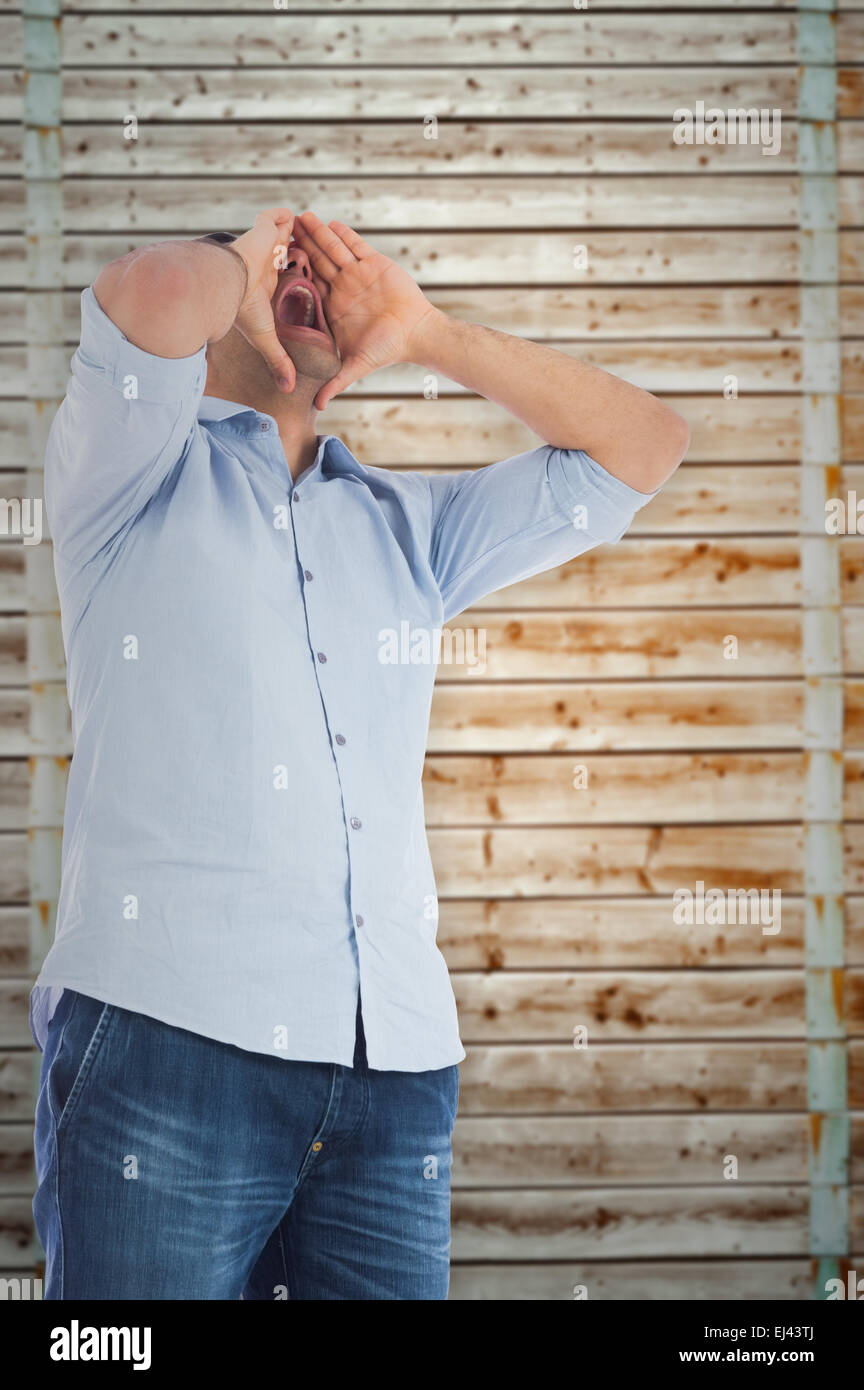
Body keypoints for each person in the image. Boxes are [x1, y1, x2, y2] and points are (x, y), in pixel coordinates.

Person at [31, 208, 689, 1300]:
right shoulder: (127, 479)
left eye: (320, 276)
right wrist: (251, 260)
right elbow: (148, 295)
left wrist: (425, 330)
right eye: (279, 274)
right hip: (167, 1051)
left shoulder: (410, 526)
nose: (304, 282)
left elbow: (645, 446)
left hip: (393, 1077)